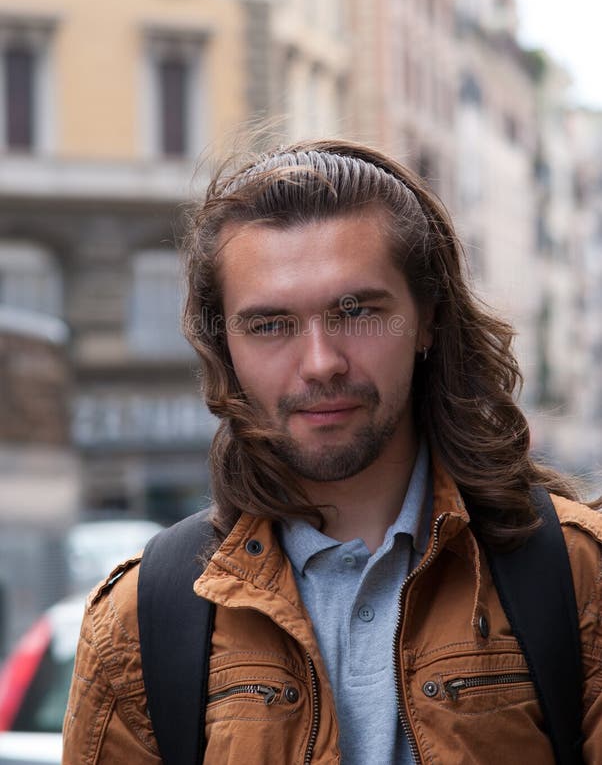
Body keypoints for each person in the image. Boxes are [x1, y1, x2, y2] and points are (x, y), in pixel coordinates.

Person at [63, 140, 602, 764]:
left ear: (427, 319)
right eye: (270, 325)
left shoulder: (580, 575)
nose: (320, 363)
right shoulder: (137, 624)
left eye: (356, 312)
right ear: (224, 346)